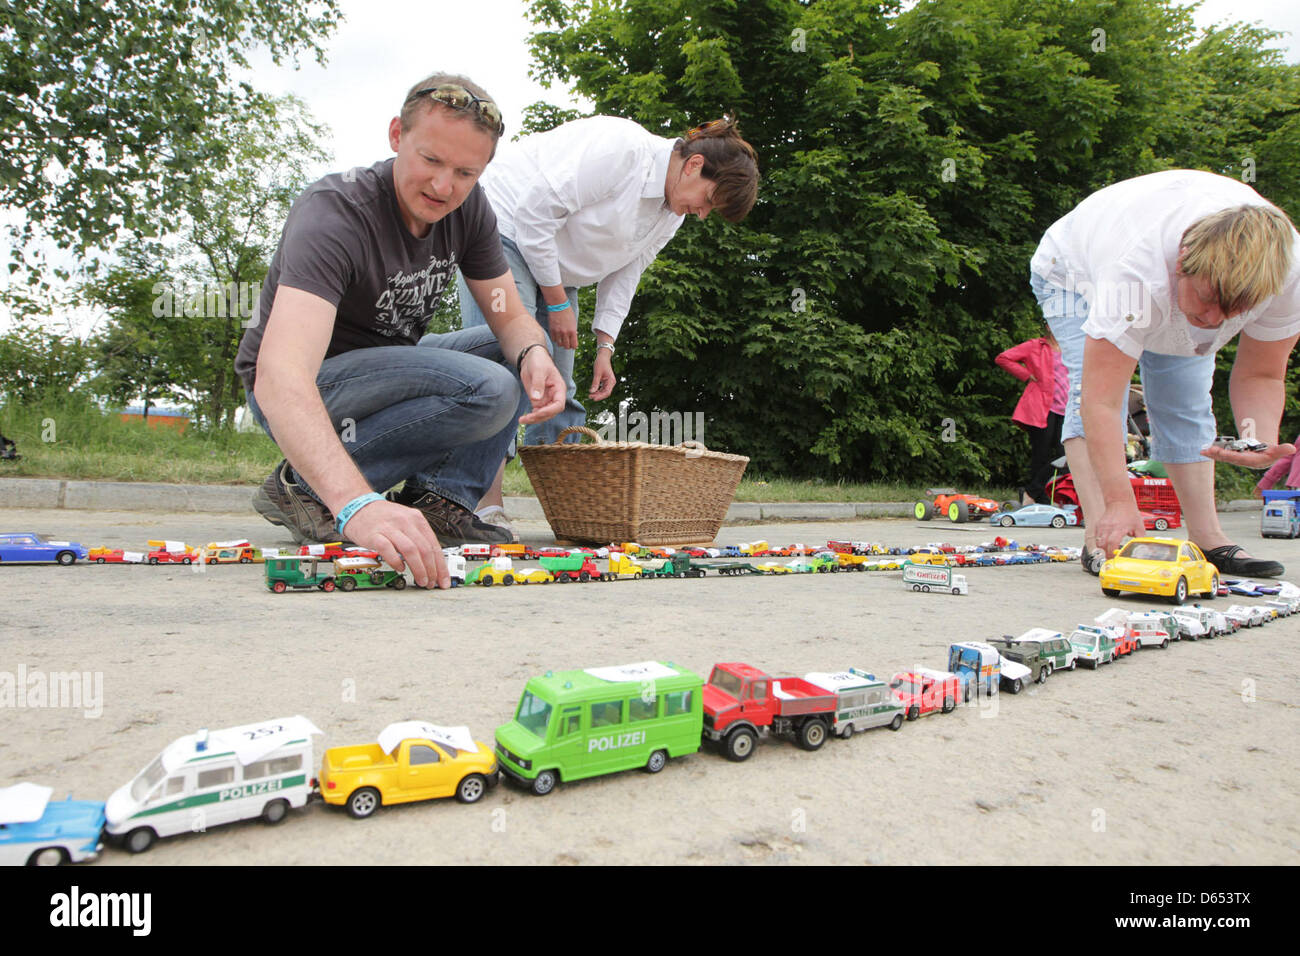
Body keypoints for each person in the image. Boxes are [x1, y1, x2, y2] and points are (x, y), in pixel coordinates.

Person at [234, 74, 567, 589]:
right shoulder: (335, 213)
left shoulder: (470, 211)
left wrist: (533, 353)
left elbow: (507, 311)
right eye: (430, 161)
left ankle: (440, 502)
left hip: (391, 369)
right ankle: (305, 487)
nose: (443, 187)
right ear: (396, 135)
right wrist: (356, 504)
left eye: (465, 172)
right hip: (310, 385)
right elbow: (280, 375)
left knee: (514, 357)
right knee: (488, 387)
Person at [456, 115, 760, 538]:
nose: (704, 215)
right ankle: (480, 506)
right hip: (500, 232)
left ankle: (576, 510)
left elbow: (628, 270)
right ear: (693, 166)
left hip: (558, 269)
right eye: (709, 200)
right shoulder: (621, 150)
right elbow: (534, 215)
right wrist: (558, 302)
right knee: (509, 369)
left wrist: (605, 346)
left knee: (558, 388)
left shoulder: (672, 211)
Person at [1029, 168, 1300, 578]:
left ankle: (1209, 540)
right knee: (1093, 385)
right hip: (1071, 273)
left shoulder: (1289, 277)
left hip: (1157, 277)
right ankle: (1104, 535)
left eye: (1235, 310)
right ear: (1184, 259)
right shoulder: (1136, 272)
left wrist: (1253, 437)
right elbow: (1100, 401)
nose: (1213, 320)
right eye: (1208, 299)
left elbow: (1261, 375)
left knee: (1186, 396)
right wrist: (1123, 500)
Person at [995, 326, 1067, 505]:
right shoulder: (1035, 346)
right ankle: (1039, 497)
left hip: (1067, 408)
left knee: (1066, 456)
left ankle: (1032, 491)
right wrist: (1026, 375)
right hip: (1041, 407)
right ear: (1047, 326)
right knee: (1040, 454)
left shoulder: (1070, 346)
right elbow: (1003, 358)